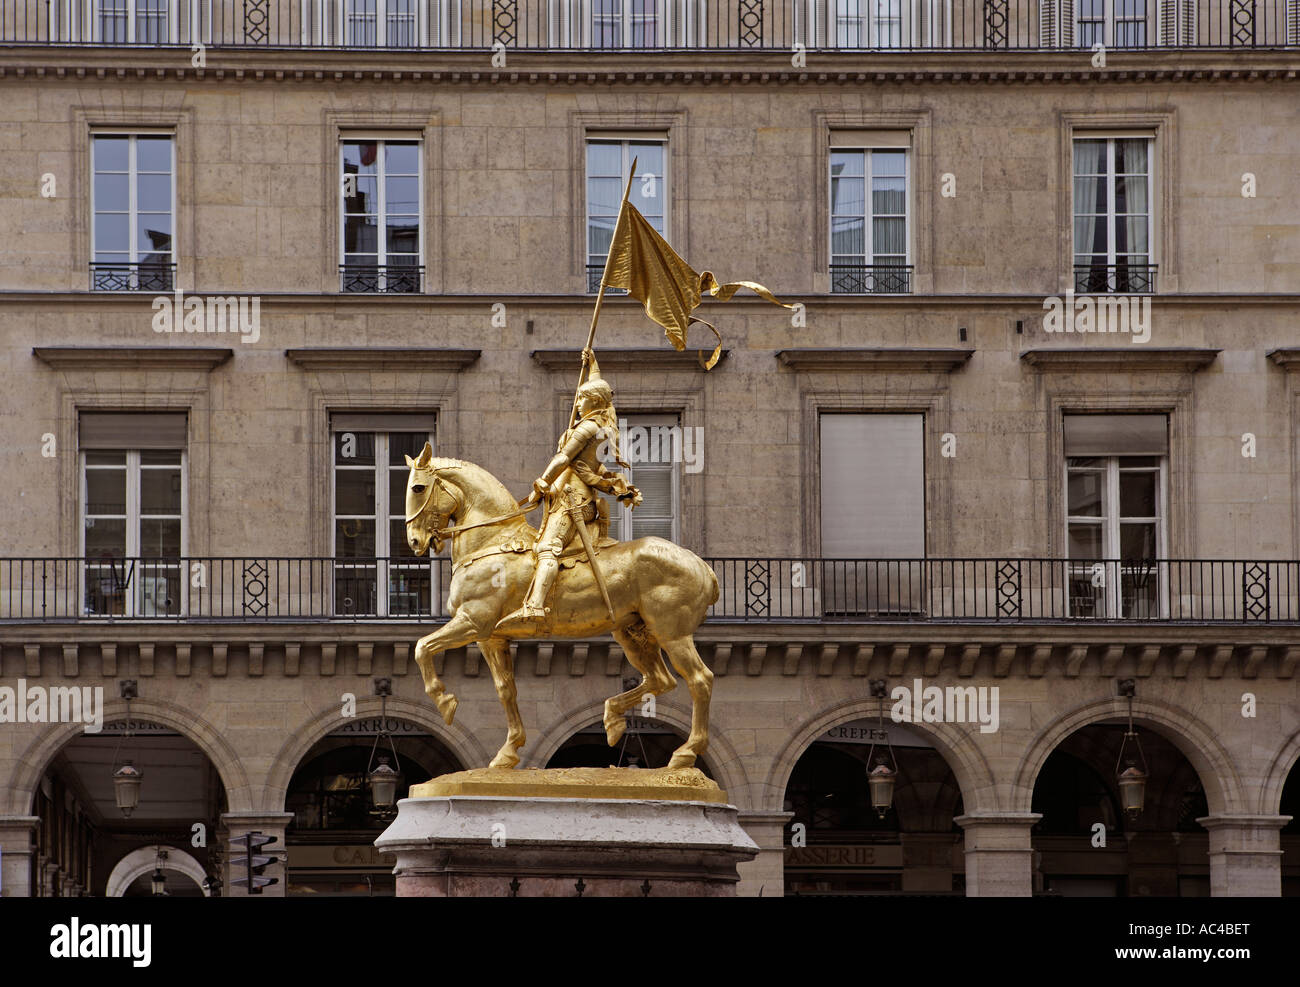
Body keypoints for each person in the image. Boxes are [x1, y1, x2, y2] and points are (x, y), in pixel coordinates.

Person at [495, 350, 640, 632]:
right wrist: (592, 364)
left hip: (572, 499)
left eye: (584, 399)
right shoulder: (602, 425)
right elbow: (598, 387)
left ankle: (535, 605)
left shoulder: (586, 429)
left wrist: (543, 481)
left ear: (595, 402)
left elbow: (563, 459)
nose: (578, 403)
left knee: (548, 548)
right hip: (578, 494)